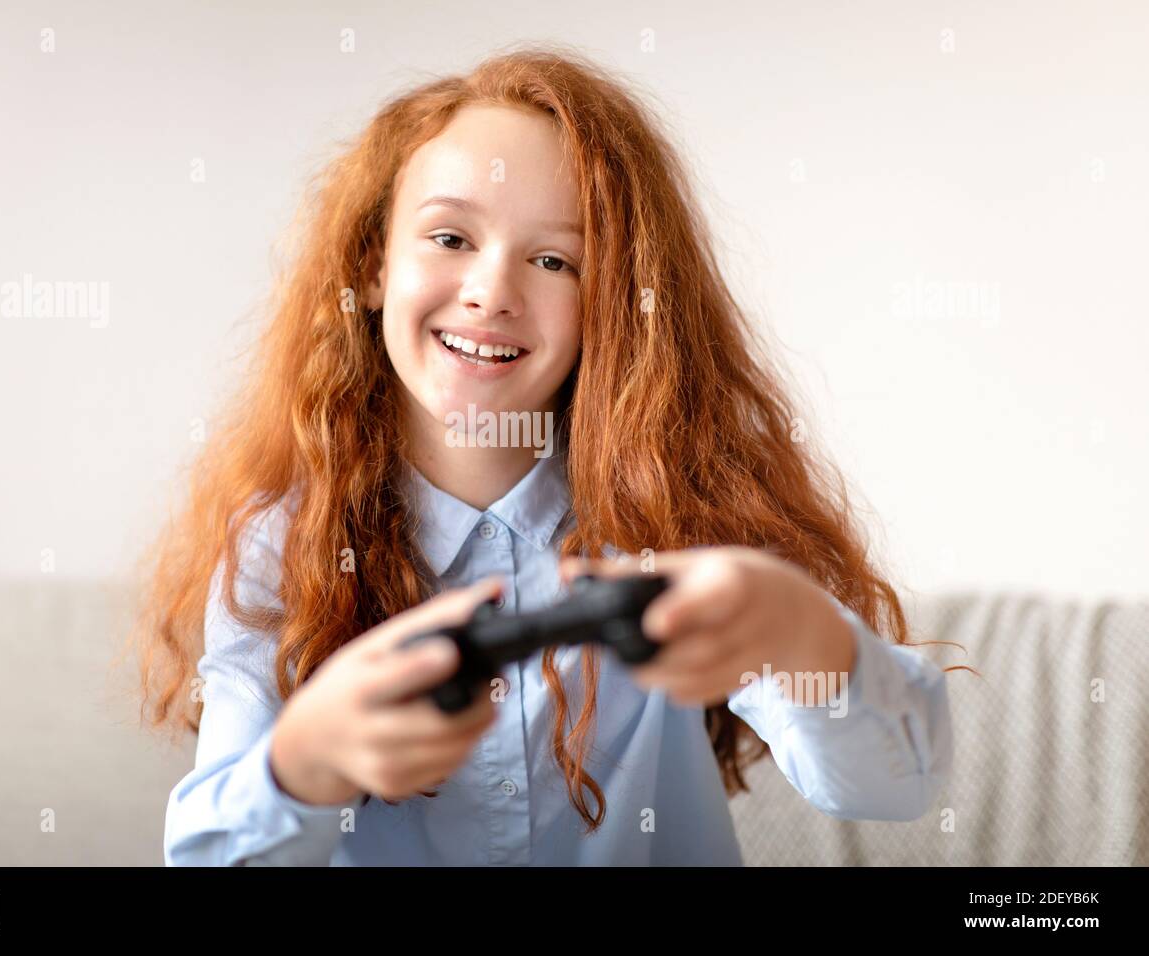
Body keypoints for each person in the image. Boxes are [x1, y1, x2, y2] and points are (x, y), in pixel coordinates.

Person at [131, 45, 954, 866]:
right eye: (450, 237)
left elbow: (895, 786)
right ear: (373, 267)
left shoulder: (681, 520)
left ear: (613, 307)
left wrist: (802, 631)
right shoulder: (282, 542)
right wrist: (305, 762)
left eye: (555, 260)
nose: (492, 291)